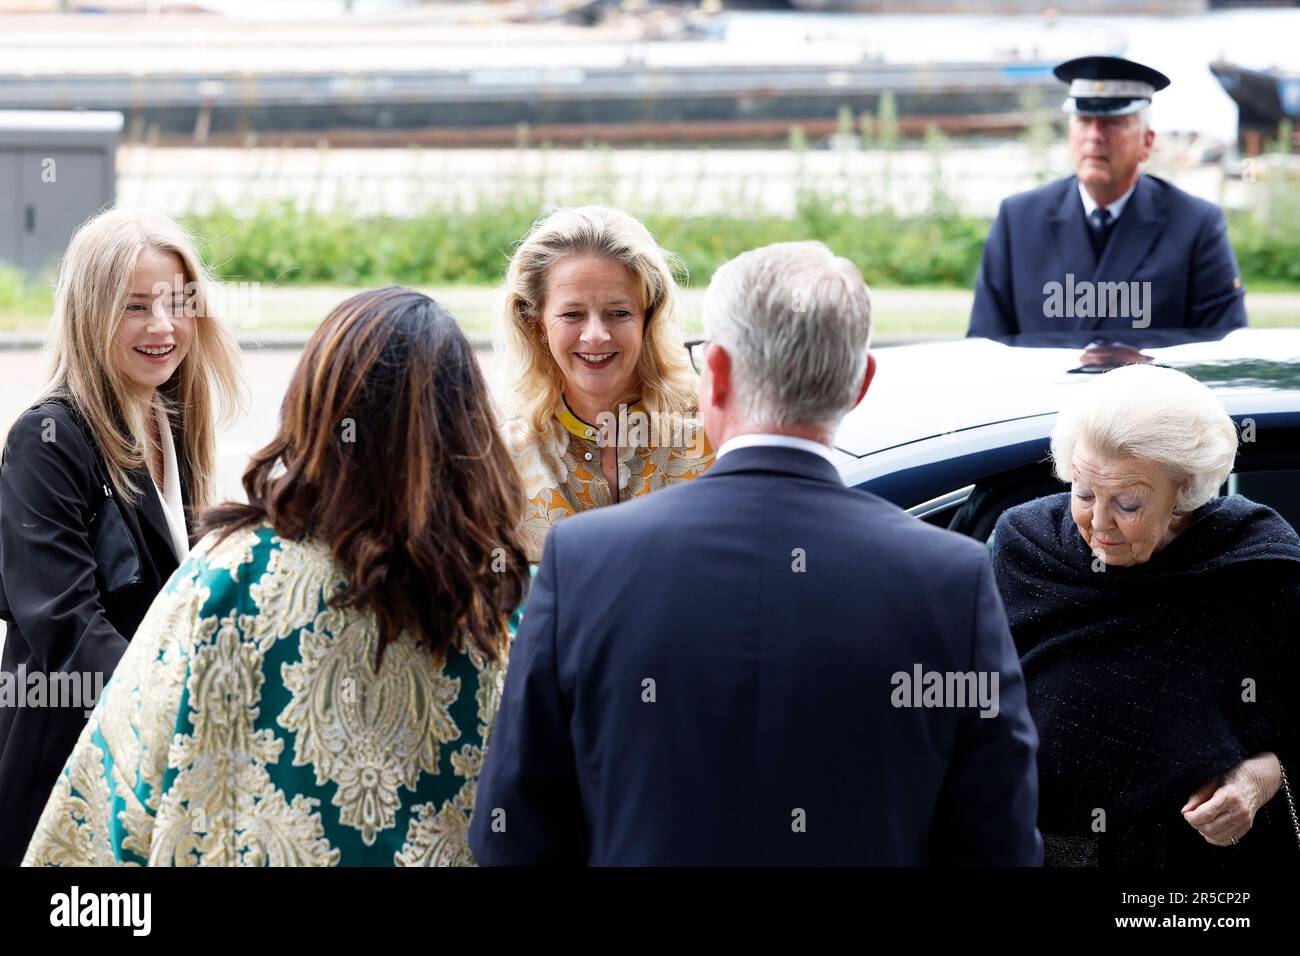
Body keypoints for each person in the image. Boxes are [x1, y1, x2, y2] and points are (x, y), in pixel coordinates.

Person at [470, 241, 1042, 866]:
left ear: (714, 371)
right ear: (861, 383)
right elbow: (999, 844)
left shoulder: (585, 559)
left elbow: (513, 834)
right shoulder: (952, 578)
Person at [22, 287, 532, 867]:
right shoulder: (501, 604)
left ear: (312, 406)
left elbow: (116, 789)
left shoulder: (228, 577)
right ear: (467, 426)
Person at [0, 208, 244, 866]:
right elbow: (67, 626)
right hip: (68, 773)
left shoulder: (175, 420)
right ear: (91, 314)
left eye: (175, 304)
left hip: (150, 769)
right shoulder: (47, 441)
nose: (162, 327)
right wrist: (187, 706)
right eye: (136, 307)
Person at [991, 364, 1300, 866]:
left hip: (1195, 868)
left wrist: (1262, 776)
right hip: (1048, 851)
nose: (1100, 522)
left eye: (1129, 502)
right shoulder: (1025, 547)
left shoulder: (1256, 565)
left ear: (1186, 491)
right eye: (1084, 494)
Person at [968, 55, 1248, 337]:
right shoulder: (1018, 222)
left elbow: (1225, 349)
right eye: (1084, 120)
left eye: (1112, 122)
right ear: (1069, 133)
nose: (1094, 136)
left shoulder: (1194, 225)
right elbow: (985, 347)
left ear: (1146, 143)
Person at [497, 205, 713, 562]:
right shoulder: (504, 456)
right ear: (536, 323)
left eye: (618, 313)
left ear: (648, 318)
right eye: (572, 314)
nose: (595, 336)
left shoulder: (711, 433)